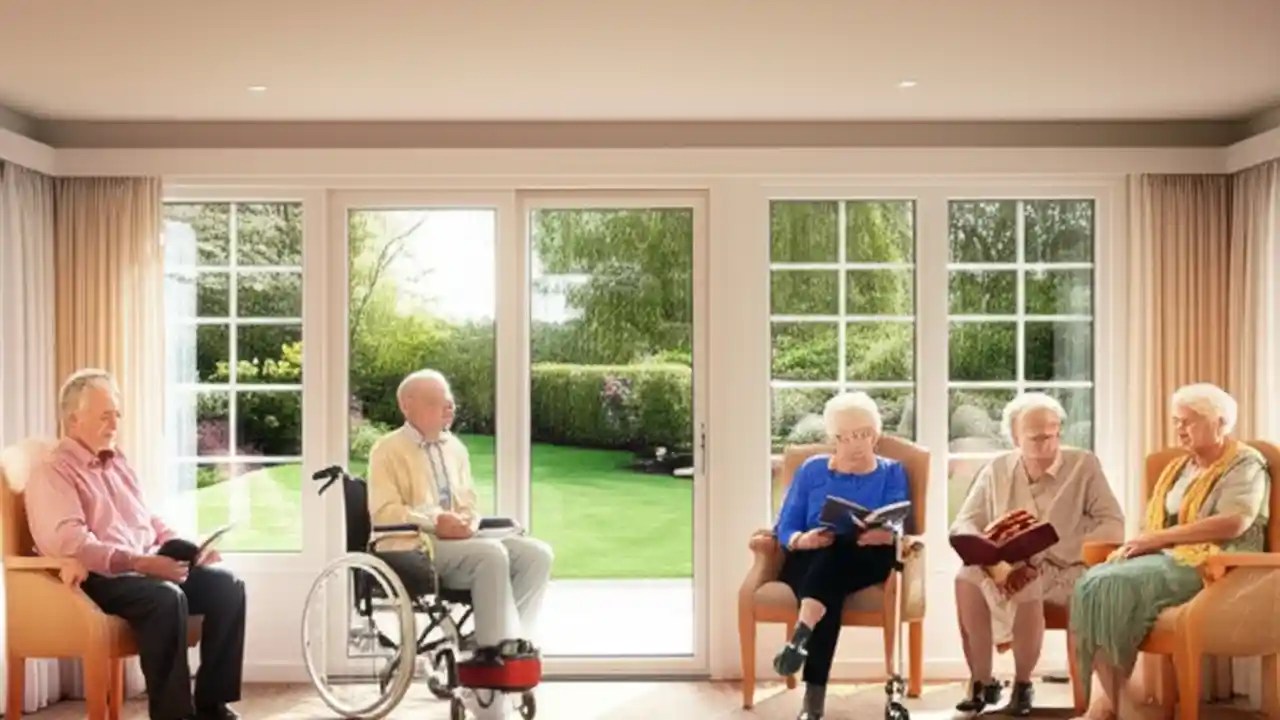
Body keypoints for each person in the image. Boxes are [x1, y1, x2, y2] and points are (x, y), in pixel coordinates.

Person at [24, 369, 246, 720]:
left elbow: (147, 518)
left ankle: (212, 707)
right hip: (95, 579)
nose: (115, 424)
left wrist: (185, 547)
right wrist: (140, 563)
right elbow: (71, 542)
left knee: (227, 587)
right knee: (165, 598)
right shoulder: (53, 471)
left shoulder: (118, 461)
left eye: (117, 414)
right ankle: (174, 716)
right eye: (104, 416)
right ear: (73, 420)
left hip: (141, 568)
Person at [1070, 383, 1270, 720]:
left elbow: (1234, 522)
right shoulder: (1179, 467)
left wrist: (1157, 539)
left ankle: (1113, 707)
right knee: (1090, 583)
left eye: (1188, 422)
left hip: (1218, 565)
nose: (1179, 429)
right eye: (1176, 421)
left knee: (1111, 585)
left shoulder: (1245, 464)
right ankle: (1111, 700)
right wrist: (1151, 542)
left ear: (1220, 422)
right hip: (1169, 557)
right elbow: (1156, 522)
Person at [367, 369, 554, 718]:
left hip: (461, 543)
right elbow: (384, 511)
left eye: (449, 402)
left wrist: (468, 522)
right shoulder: (387, 450)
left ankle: (509, 647)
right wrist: (436, 521)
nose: (448, 408)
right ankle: (487, 683)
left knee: (536, 555)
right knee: (490, 555)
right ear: (407, 406)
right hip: (412, 545)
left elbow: (468, 504)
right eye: (436, 402)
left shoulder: (455, 448)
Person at [950, 392, 1124, 716]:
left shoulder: (1083, 465)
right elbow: (965, 521)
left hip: (1064, 568)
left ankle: (1022, 684)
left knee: (1028, 582)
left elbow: (1113, 524)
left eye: (1054, 433)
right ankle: (981, 682)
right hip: (1004, 564)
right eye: (1037, 437)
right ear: (1015, 437)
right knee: (965, 578)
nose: (1048, 443)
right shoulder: (997, 469)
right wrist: (984, 546)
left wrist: (1054, 549)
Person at [770, 392, 911, 720]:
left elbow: (899, 520)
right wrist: (804, 539)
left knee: (833, 563)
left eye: (863, 434)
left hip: (866, 555)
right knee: (827, 580)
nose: (856, 443)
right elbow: (785, 526)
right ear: (834, 439)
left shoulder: (892, 472)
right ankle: (810, 664)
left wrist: (886, 534)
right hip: (811, 555)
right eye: (846, 437)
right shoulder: (812, 470)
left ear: (875, 434)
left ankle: (810, 686)